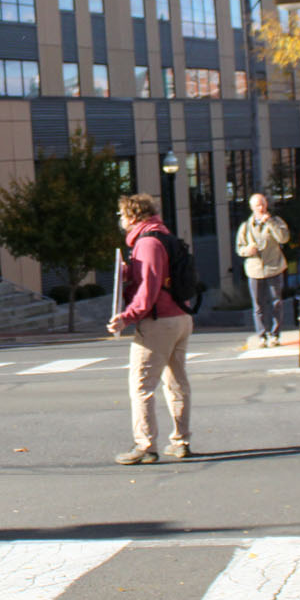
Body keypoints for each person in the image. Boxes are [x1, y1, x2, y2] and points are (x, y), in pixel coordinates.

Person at [105, 193, 192, 464]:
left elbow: (149, 288)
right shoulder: (164, 237)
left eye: (122, 215)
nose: (120, 220)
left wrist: (127, 317)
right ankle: (181, 440)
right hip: (180, 317)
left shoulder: (147, 243)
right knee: (176, 382)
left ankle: (145, 446)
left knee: (142, 385)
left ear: (133, 216)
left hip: (159, 322)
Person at [234, 193, 289, 349]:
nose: (261, 207)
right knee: (258, 305)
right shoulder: (245, 226)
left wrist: (270, 222)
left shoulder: (276, 221)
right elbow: (239, 248)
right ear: (252, 207)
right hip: (255, 270)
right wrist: (247, 250)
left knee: (276, 302)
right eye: (258, 205)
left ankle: (275, 334)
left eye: (263, 204)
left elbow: (283, 238)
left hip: (274, 268)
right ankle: (262, 335)